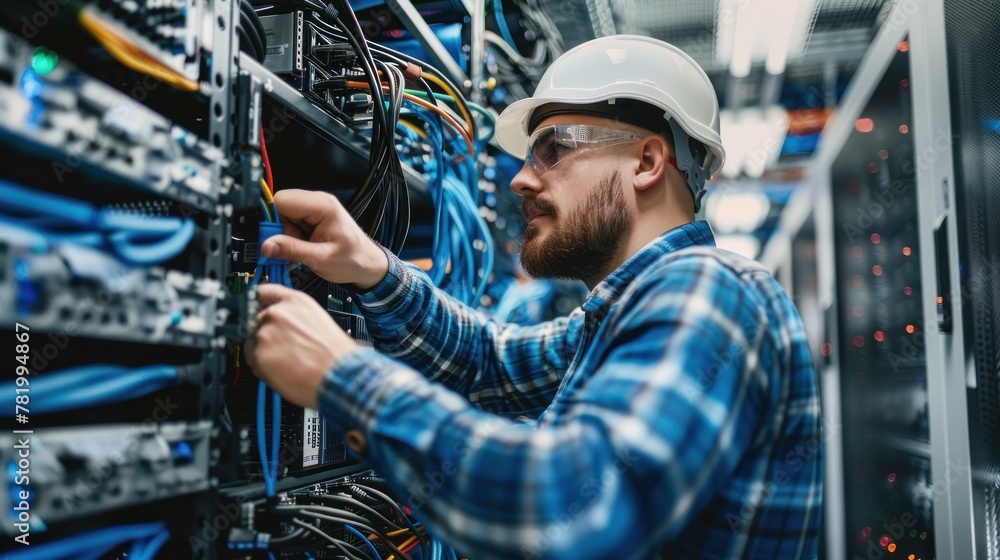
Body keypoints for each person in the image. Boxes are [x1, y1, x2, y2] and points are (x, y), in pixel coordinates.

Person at [246, 35, 822, 559]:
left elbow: (574, 508)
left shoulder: (710, 292)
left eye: (552, 149)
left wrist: (343, 376)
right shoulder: (625, 314)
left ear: (647, 162)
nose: (521, 178)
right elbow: (487, 362)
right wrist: (372, 271)